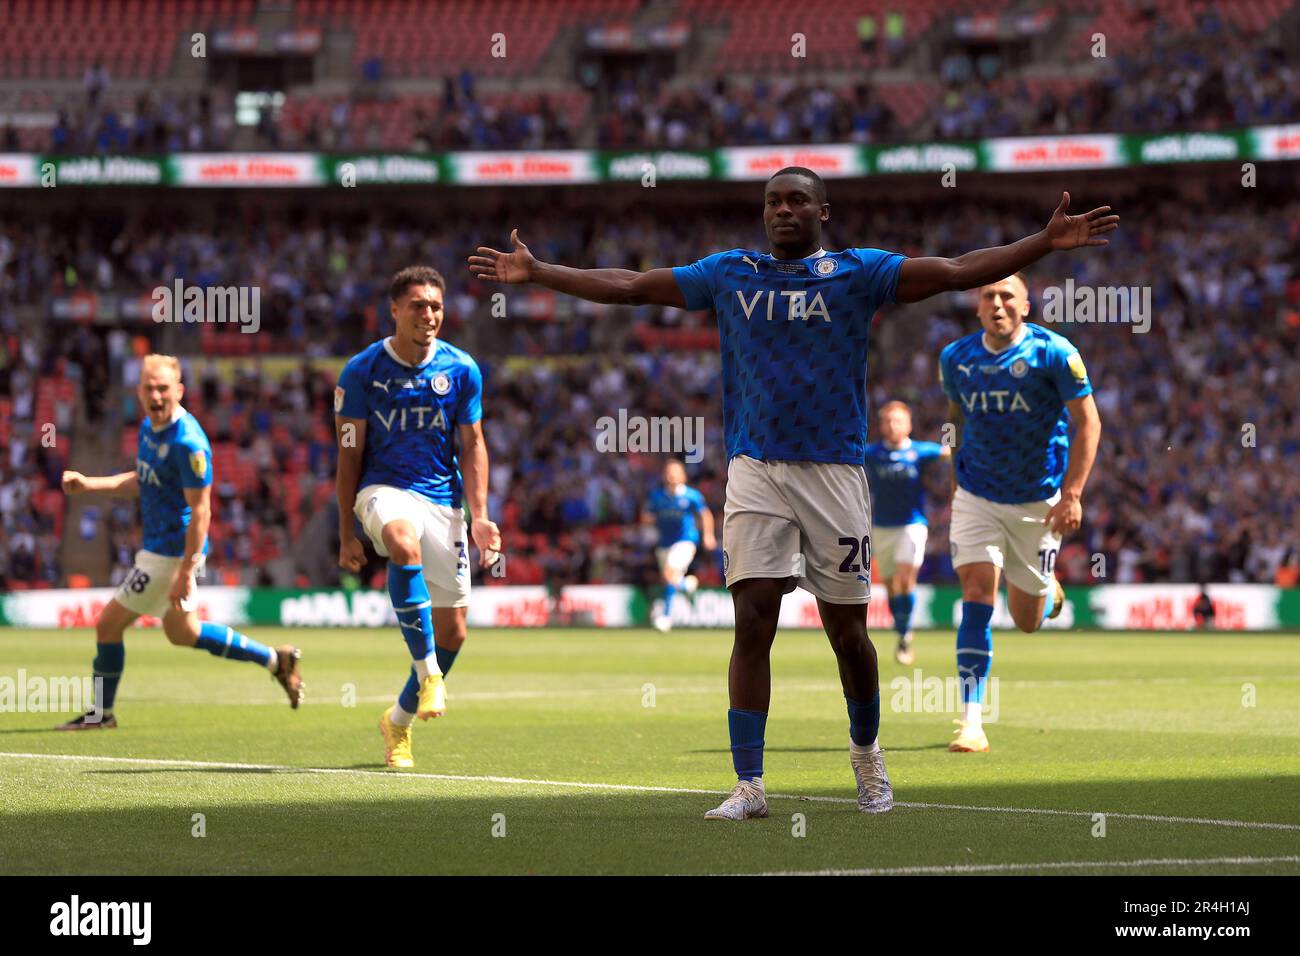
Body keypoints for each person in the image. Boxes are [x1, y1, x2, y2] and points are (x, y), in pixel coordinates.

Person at [469, 167, 1117, 818]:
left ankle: (866, 752)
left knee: (848, 634)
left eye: (797, 200)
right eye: (773, 200)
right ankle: (750, 783)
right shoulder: (730, 271)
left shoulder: (858, 272)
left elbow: (953, 270)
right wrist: (543, 272)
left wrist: (1040, 241)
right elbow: (636, 286)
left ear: (822, 210)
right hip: (755, 469)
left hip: (834, 472)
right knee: (752, 619)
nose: (783, 209)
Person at [57, 354, 302, 730]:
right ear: (138, 391)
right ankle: (275, 660)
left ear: (179, 390)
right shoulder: (147, 429)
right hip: (161, 549)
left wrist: (187, 571)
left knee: (107, 625)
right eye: (148, 388)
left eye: (163, 388)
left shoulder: (188, 443)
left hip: (171, 553)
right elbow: (144, 480)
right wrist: (91, 485)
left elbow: (201, 511)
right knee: (182, 633)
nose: (155, 395)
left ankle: (100, 714)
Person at [335, 266, 502, 768]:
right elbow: (348, 454)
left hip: (443, 500)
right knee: (401, 544)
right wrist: (346, 531)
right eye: (417, 305)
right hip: (383, 489)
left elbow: (473, 444)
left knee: (455, 631)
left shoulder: (463, 370)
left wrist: (481, 515)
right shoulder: (361, 373)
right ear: (394, 310)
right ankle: (430, 675)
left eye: (435, 306)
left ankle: (398, 722)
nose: (428, 315)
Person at [940, 273, 1102, 753]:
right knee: (976, 594)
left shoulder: (1056, 353)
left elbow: (1088, 421)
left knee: (1027, 619)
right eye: (988, 295)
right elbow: (955, 420)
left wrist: (1073, 494)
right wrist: (955, 480)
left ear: (1026, 306)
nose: (997, 303)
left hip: (1038, 501)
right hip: (976, 496)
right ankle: (971, 721)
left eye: (1007, 296)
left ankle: (1046, 590)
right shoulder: (956, 358)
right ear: (977, 306)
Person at [862, 401, 949, 665]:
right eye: (888, 421)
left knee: (904, 578)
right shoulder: (873, 453)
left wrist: (953, 427)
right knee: (891, 585)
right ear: (881, 425)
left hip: (912, 525)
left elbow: (949, 451)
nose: (893, 425)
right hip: (881, 527)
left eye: (898, 420)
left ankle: (905, 633)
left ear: (909, 424)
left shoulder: (919, 452)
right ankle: (902, 632)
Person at [642, 459, 716, 633]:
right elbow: (646, 516)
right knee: (669, 579)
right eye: (668, 472)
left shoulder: (691, 496)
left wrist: (708, 535)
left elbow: (705, 515)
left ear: (683, 476)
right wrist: (651, 519)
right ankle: (685, 586)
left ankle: (665, 618)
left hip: (686, 541)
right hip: (664, 543)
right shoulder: (657, 497)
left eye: (674, 472)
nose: (671, 476)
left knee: (669, 573)